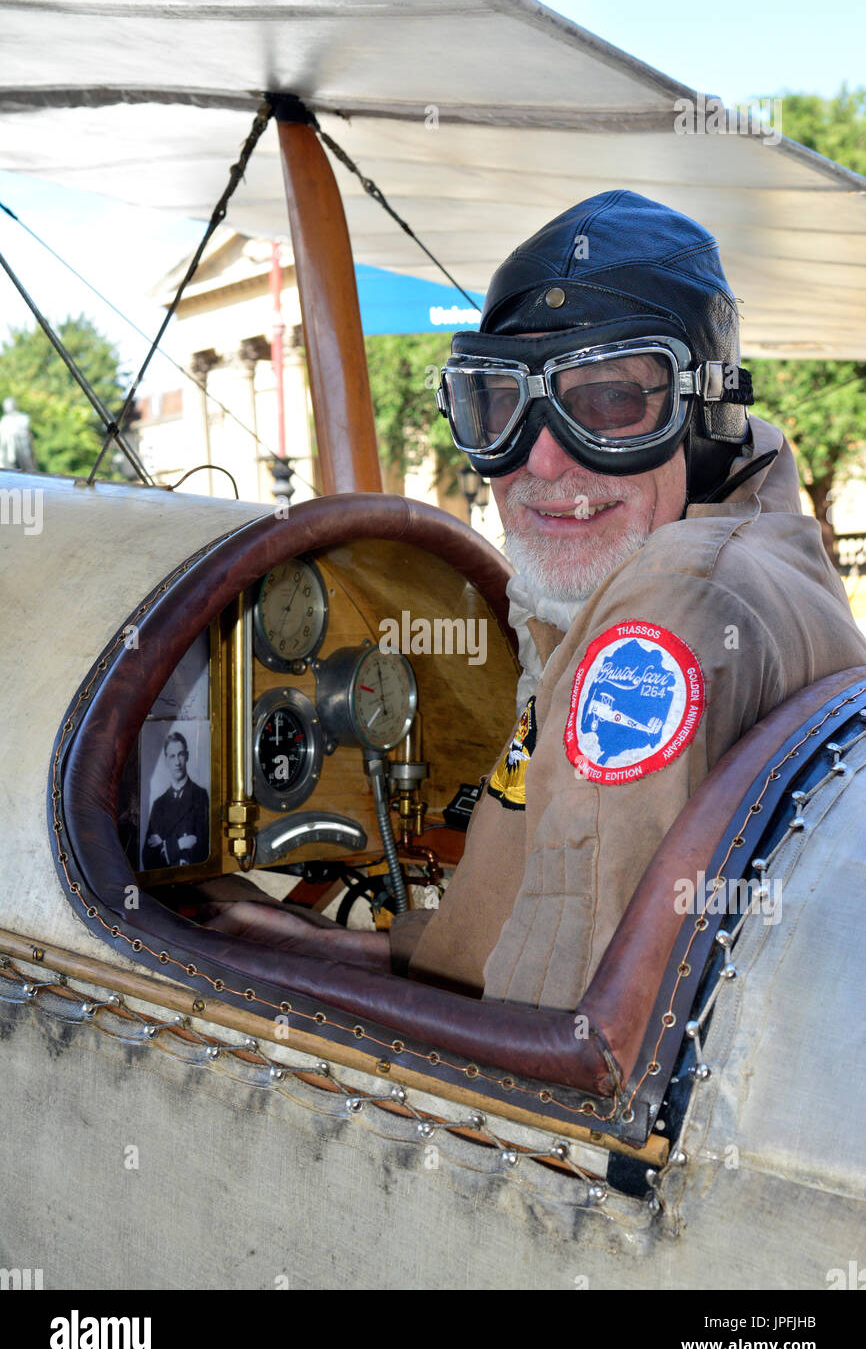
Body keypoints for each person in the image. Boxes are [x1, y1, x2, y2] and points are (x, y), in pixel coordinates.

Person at [203, 190, 866, 1006]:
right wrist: (331, 946)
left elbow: (552, 1045)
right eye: (500, 405)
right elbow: (559, 925)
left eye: (611, 402)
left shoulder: (664, 623)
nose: (541, 464)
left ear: (710, 410)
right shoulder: (761, 538)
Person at [143, 731, 209, 869]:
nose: (177, 762)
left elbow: (203, 850)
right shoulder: (159, 804)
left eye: (181, 755)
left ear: (187, 756)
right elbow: (148, 859)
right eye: (172, 756)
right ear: (166, 760)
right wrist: (180, 843)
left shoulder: (200, 796)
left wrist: (164, 842)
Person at [0, 396, 37, 472]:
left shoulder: (23, 419)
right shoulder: (4, 421)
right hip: (9, 455)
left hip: (23, 454)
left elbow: (28, 438)